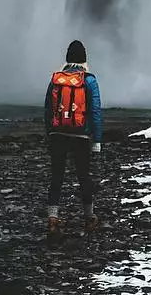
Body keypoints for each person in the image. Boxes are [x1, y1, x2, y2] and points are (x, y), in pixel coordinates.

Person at [42, 39, 103, 236]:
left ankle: (52, 218)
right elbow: (95, 111)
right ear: (85, 59)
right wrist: (97, 139)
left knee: (57, 176)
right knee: (84, 176)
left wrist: (49, 132)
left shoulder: (56, 79)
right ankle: (89, 218)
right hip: (81, 135)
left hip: (58, 133)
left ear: (67, 58)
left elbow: (47, 109)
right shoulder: (89, 80)